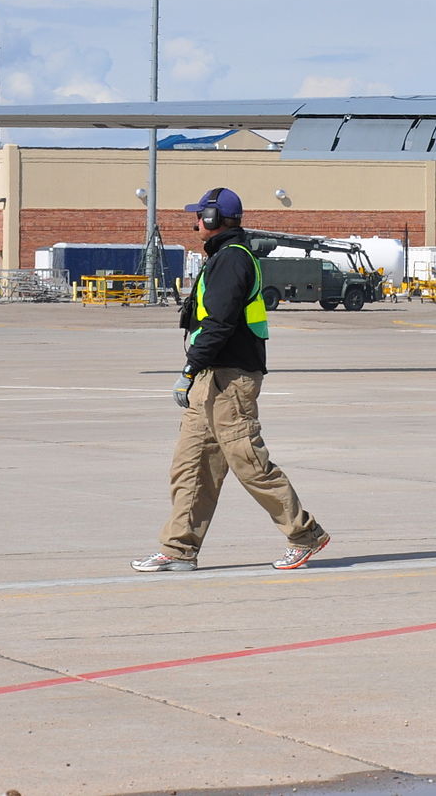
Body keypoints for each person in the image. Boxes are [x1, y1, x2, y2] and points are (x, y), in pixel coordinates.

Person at [131, 187, 329, 572]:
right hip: (210, 375)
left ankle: (305, 534)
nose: (194, 224)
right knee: (191, 464)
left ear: (213, 219)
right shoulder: (221, 258)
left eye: (199, 217)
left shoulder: (233, 261)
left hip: (230, 377)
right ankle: (178, 549)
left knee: (248, 461)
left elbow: (219, 324)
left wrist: (188, 369)